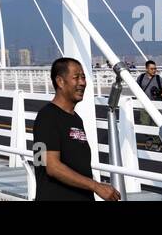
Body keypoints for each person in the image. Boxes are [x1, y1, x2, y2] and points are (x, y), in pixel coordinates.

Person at [31, 57, 120, 201]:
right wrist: (96, 186)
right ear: (60, 81)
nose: (82, 83)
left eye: (83, 77)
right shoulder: (46, 117)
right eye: (76, 77)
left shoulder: (76, 119)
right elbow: (51, 167)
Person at [136, 60, 162, 152]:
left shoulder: (158, 79)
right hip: (144, 105)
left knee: (156, 124)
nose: (154, 70)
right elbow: (136, 89)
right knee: (144, 123)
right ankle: (149, 139)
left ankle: (156, 142)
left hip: (157, 105)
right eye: (152, 69)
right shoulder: (141, 78)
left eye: (155, 69)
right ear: (146, 69)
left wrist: (159, 95)